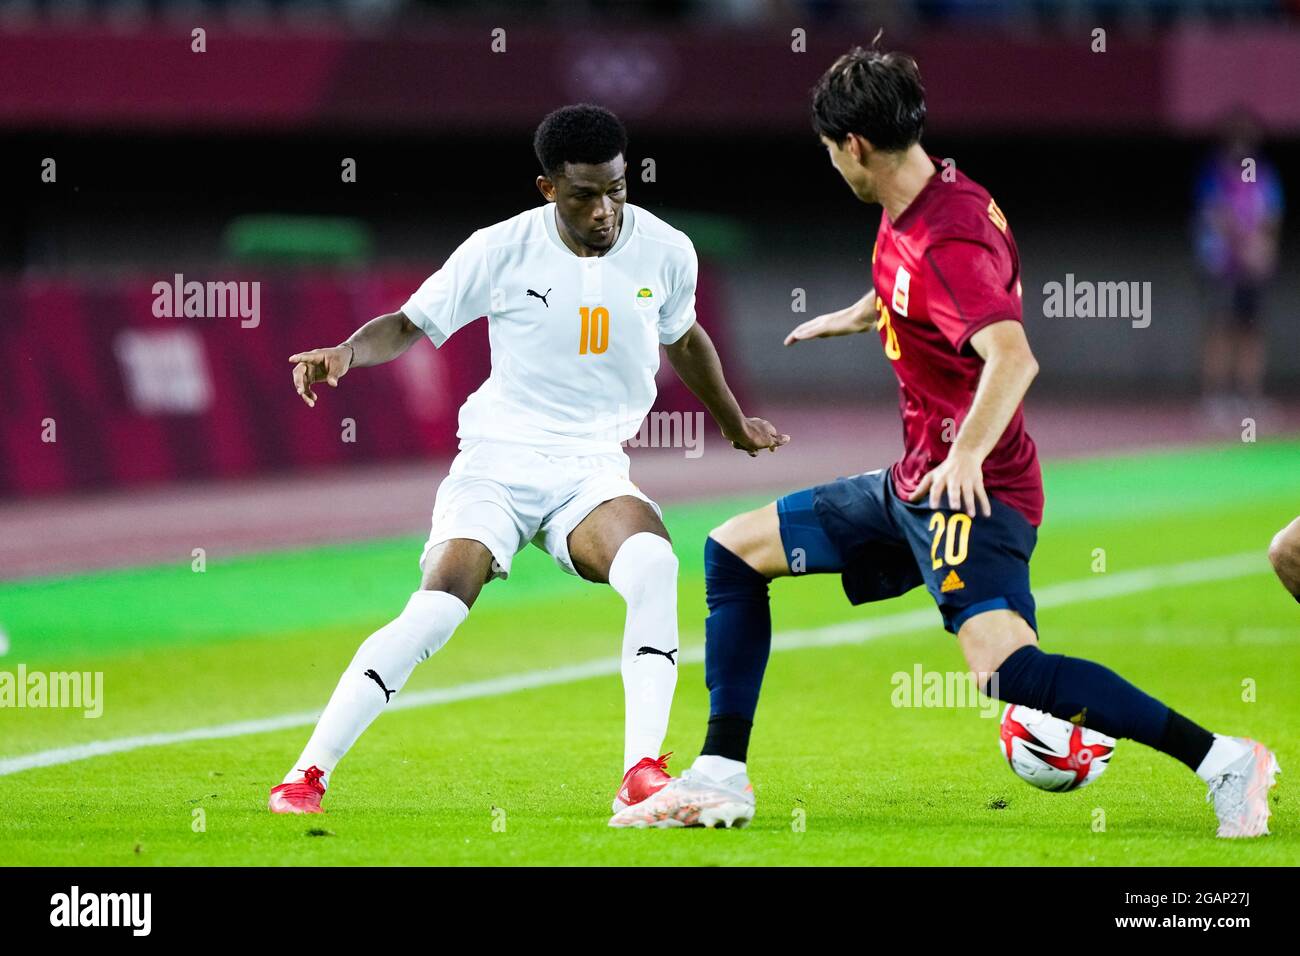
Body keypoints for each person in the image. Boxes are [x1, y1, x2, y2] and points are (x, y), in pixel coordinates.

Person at [612, 48, 1279, 838]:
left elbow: (1013, 355)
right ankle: (722, 775)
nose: (833, 166)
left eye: (831, 152)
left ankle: (1227, 762)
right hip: (914, 481)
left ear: (855, 145)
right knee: (731, 552)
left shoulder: (950, 239)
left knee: (1007, 673)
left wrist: (964, 455)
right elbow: (911, 280)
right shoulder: (928, 198)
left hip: (973, 491)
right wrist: (859, 316)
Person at [270, 104, 787, 816]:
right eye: (584, 194)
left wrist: (733, 423)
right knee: (437, 611)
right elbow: (408, 324)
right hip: (499, 460)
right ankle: (306, 775)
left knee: (654, 564)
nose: (605, 209)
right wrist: (346, 353)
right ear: (548, 188)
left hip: (592, 468)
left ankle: (641, 771)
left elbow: (686, 339)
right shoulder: (499, 249)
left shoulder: (667, 251)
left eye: (617, 188)